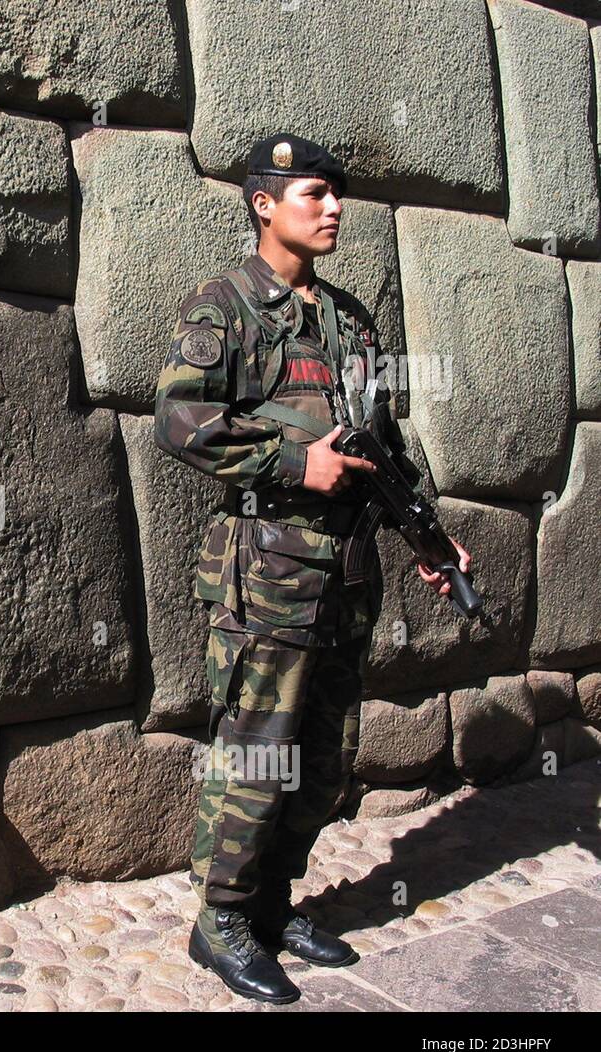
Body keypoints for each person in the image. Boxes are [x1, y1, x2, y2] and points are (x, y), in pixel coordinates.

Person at [153, 133, 472, 1004]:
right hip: (266, 574)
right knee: (257, 755)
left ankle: (274, 904)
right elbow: (178, 419)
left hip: (347, 576)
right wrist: (296, 466)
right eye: (314, 193)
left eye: (338, 195)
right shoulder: (226, 308)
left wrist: (432, 544)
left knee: (321, 755)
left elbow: (383, 448)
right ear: (264, 201)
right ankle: (220, 920)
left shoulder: (351, 322)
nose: (333, 209)